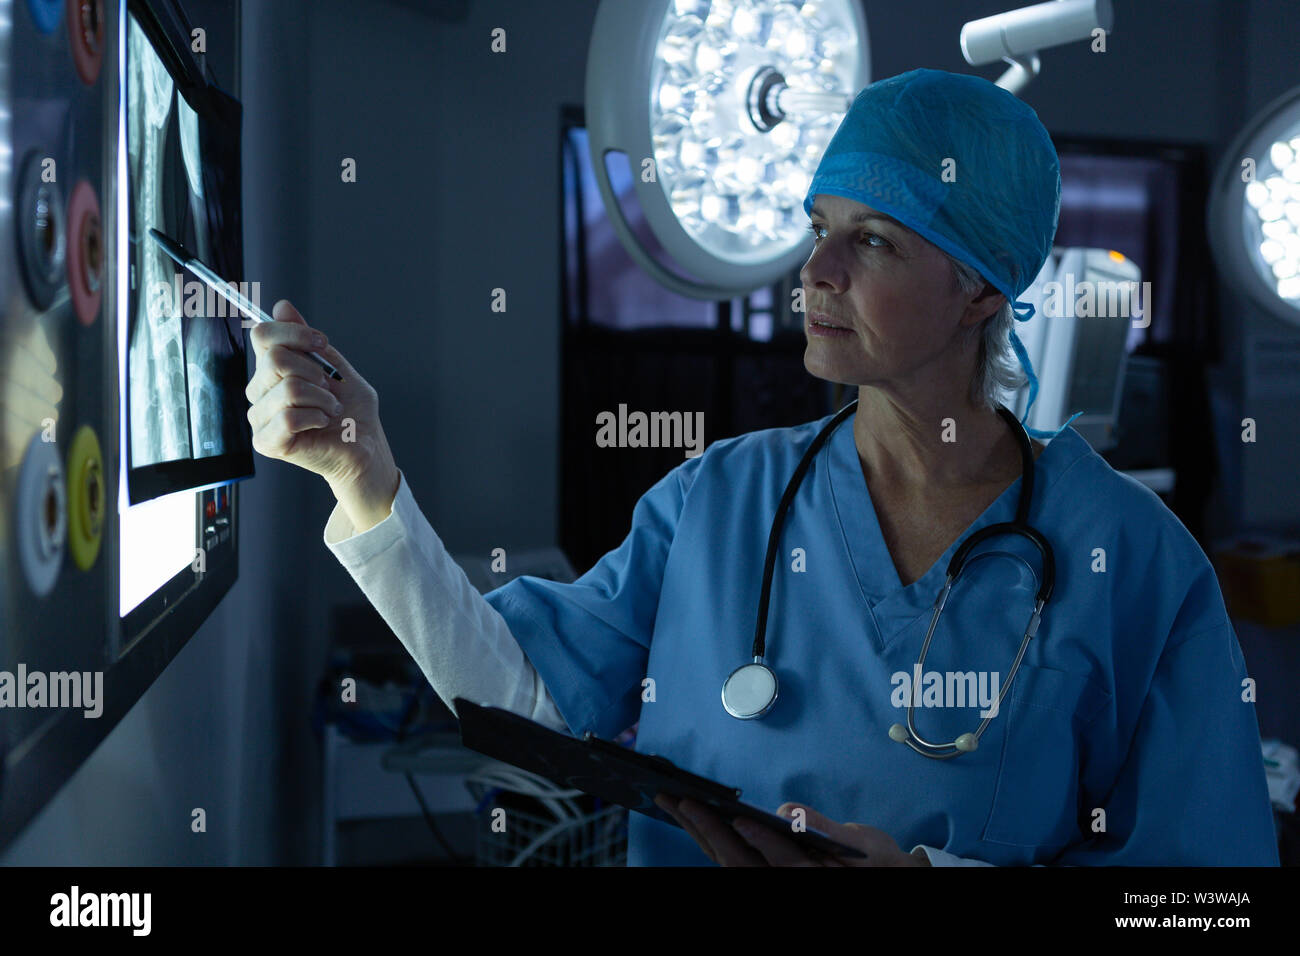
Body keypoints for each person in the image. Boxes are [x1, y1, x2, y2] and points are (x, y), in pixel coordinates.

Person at [245, 68, 1279, 866]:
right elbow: (534, 700)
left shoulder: (1132, 558)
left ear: (979, 290)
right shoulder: (718, 498)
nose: (815, 273)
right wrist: (366, 481)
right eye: (818, 229)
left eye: (872, 243)